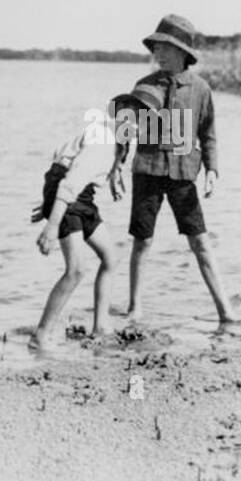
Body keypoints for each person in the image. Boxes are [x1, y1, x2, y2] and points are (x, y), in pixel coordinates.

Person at [109, 14, 238, 324]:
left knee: (200, 242)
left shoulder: (201, 89)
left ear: (182, 52)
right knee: (143, 241)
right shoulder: (143, 85)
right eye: (155, 47)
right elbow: (125, 128)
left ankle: (225, 310)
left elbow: (208, 133)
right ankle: (135, 306)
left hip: (183, 173)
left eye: (164, 47)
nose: (158, 53)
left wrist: (212, 171)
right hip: (147, 170)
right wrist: (116, 166)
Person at [29, 86, 160, 350]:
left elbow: (100, 171)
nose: (139, 127)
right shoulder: (102, 139)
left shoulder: (119, 141)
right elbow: (69, 179)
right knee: (76, 270)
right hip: (69, 191)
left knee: (111, 258)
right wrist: (52, 224)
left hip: (82, 196)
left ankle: (100, 326)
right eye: (136, 118)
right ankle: (40, 335)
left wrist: (114, 181)